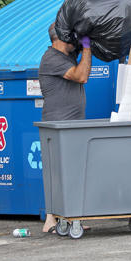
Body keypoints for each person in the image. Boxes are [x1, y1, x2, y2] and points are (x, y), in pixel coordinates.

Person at [38, 23, 91, 232]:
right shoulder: (52, 58)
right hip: (58, 125)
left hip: (72, 124)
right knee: (57, 172)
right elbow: (82, 76)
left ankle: (71, 217)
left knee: (73, 171)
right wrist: (86, 47)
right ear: (59, 39)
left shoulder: (66, 56)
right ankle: (50, 219)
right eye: (71, 38)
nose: (75, 42)